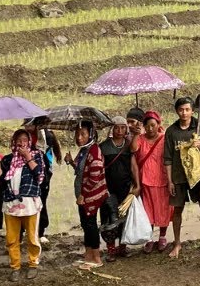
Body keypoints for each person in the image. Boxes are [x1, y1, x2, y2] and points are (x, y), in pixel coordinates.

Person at [1, 128, 47, 280]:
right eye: (18, 140)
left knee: (32, 237)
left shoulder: (37, 155)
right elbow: (1, 178)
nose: (21, 143)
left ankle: (33, 264)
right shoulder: (7, 159)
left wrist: (28, 157)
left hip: (30, 202)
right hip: (10, 202)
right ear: (14, 142)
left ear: (29, 142)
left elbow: (39, 175)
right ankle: (15, 266)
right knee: (12, 238)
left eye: (24, 140)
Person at [163, 96, 200, 258]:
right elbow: (167, 158)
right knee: (177, 210)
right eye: (181, 110)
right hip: (178, 176)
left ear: (192, 111)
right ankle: (177, 243)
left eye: (187, 109)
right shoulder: (171, 131)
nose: (184, 113)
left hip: (197, 176)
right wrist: (169, 181)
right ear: (176, 111)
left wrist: (199, 146)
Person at [130, 111, 172, 252]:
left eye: (153, 125)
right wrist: (136, 134)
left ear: (158, 125)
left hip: (163, 179)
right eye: (147, 126)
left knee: (163, 210)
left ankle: (162, 236)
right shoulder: (140, 138)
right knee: (147, 211)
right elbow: (133, 149)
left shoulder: (165, 138)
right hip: (145, 181)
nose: (150, 129)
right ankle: (149, 238)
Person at [73, 120, 108, 270]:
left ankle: (96, 257)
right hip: (84, 194)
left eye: (83, 134)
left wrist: (83, 194)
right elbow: (81, 170)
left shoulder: (94, 150)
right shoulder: (84, 150)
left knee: (91, 224)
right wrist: (71, 162)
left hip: (91, 195)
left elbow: (94, 177)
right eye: (77, 134)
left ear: (91, 134)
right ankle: (88, 255)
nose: (79, 137)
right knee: (85, 224)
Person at [99, 116, 133, 260]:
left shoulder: (130, 145)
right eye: (117, 127)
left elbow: (134, 166)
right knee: (109, 218)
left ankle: (123, 247)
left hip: (126, 188)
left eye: (123, 127)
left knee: (125, 217)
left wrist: (135, 184)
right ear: (112, 128)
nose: (119, 130)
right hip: (108, 187)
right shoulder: (104, 146)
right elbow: (99, 168)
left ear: (126, 129)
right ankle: (111, 249)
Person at [29, 120, 62, 244]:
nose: (27, 126)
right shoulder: (23, 135)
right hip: (27, 174)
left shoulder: (46, 136)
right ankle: (24, 231)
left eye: (30, 123)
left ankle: (41, 231)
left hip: (44, 172)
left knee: (41, 200)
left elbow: (45, 155)